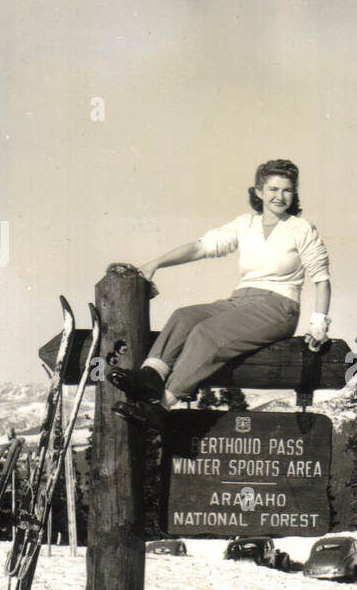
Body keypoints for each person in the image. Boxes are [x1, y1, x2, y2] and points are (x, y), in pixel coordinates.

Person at [109, 159, 331, 408]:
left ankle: (162, 405)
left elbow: (321, 279)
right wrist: (154, 264)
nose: (280, 196)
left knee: (207, 333)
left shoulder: (301, 229)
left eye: (287, 190)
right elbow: (200, 248)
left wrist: (319, 324)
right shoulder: (245, 225)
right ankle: (150, 377)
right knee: (183, 317)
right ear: (258, 191)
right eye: (273, 189)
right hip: (240, 301)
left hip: (279, 307)